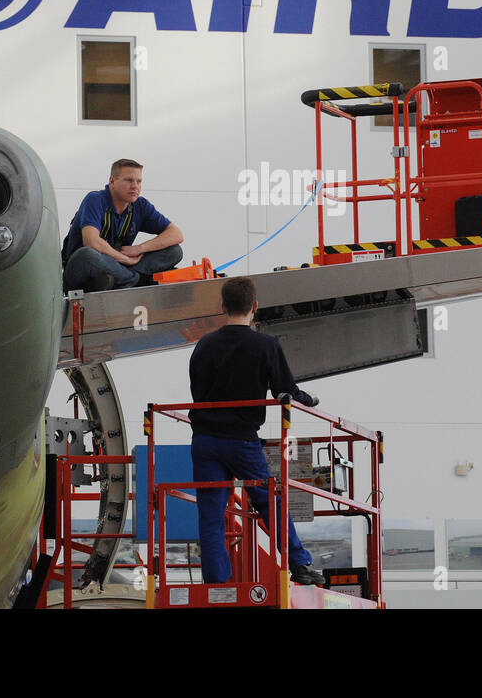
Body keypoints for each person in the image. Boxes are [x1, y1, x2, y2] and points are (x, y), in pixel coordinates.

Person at [188, 275, 326, 587]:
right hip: (241, 440)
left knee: (210, 515)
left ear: (222, 306)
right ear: (255, 306)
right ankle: (299, 564)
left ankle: (216, 583)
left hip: (205, 440)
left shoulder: (204, 345)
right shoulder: (265, 345)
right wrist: (310, 400)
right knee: (269, 500)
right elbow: (285, 390)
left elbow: (197, 391)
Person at [62, 159, 184, 292]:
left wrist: (139, 248)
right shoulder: (95, 200)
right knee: (87, 255)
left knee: (174, 251)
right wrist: (124, 259)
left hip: (116, 268)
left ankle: (119, 280)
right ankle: (137, 280)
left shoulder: (140, 205)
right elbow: (91, 242)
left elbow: (176, 234)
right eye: (129, 180)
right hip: (83, 269)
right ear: (112, 181)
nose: (135, 186)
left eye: (139, 181)